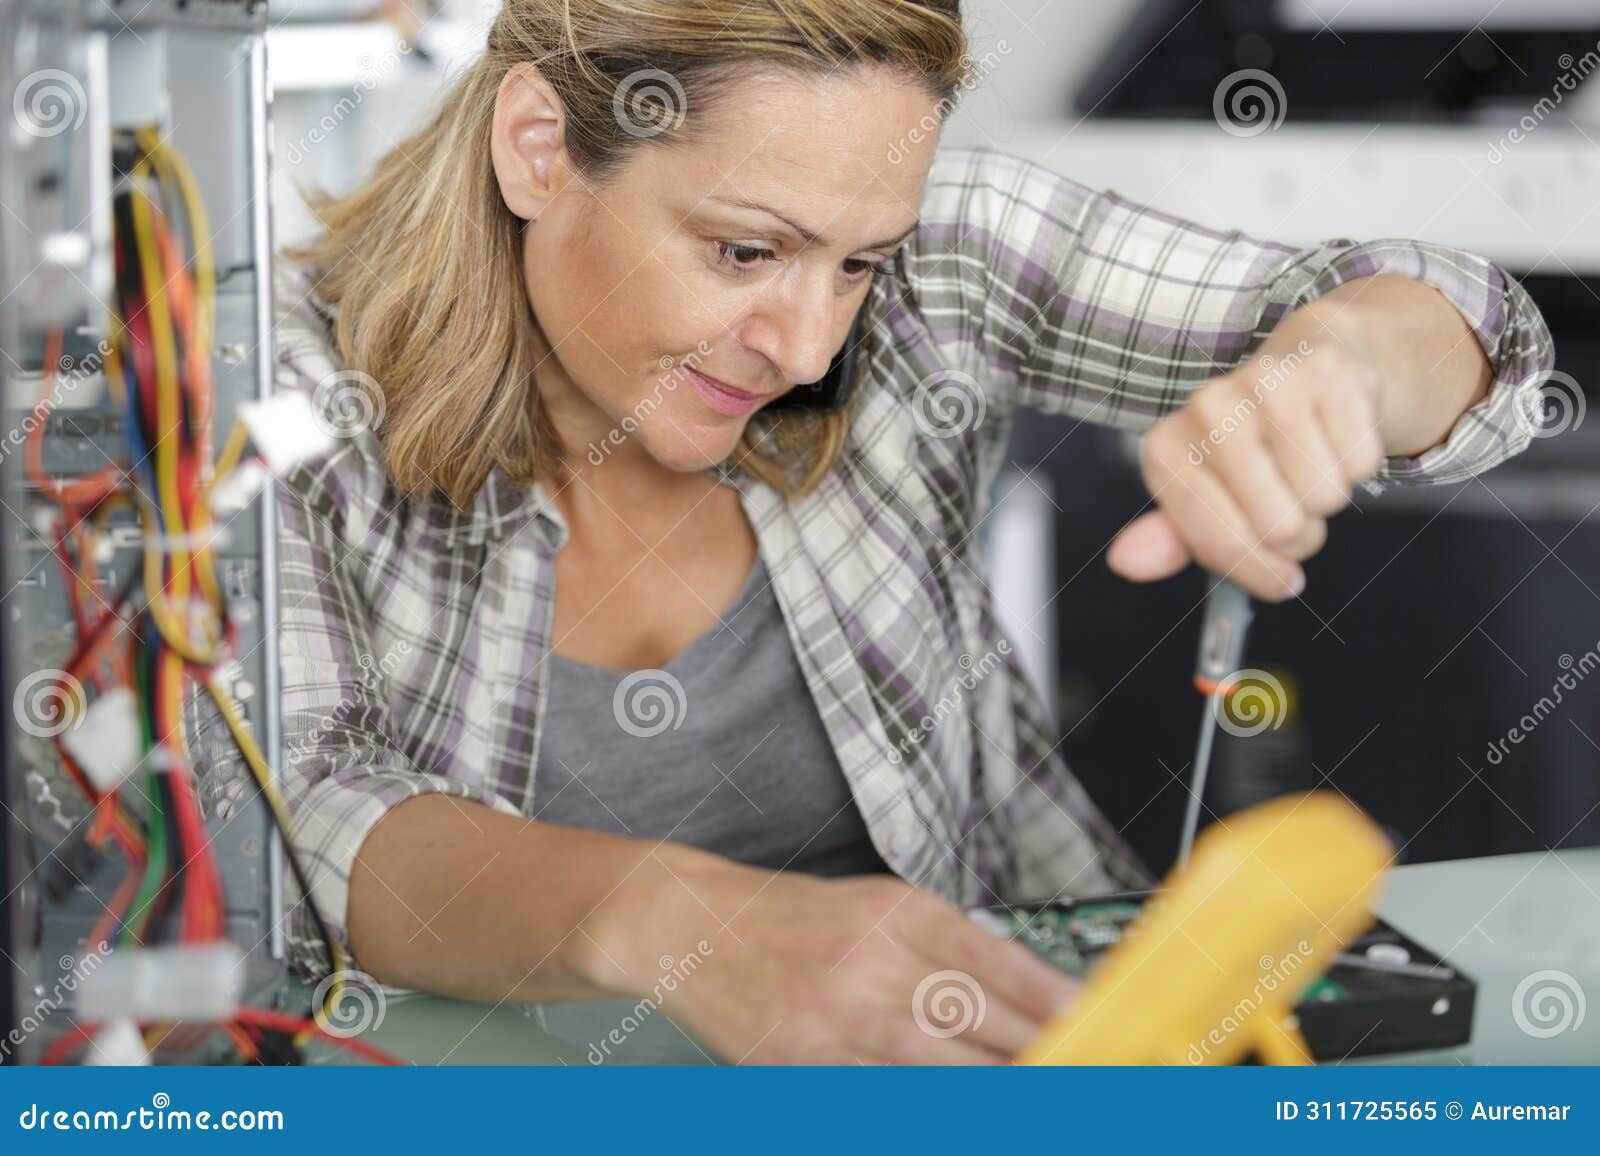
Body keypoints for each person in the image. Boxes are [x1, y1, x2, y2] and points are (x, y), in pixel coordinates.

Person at [264, 0, 1556, 1064]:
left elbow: (1469, 325)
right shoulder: (270, 395)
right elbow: (310, 812)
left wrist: (1335, 365)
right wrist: (684, 924)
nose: (810, 345)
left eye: (857, 265)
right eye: (743, 252)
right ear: (539, 145)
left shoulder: (943, 264)